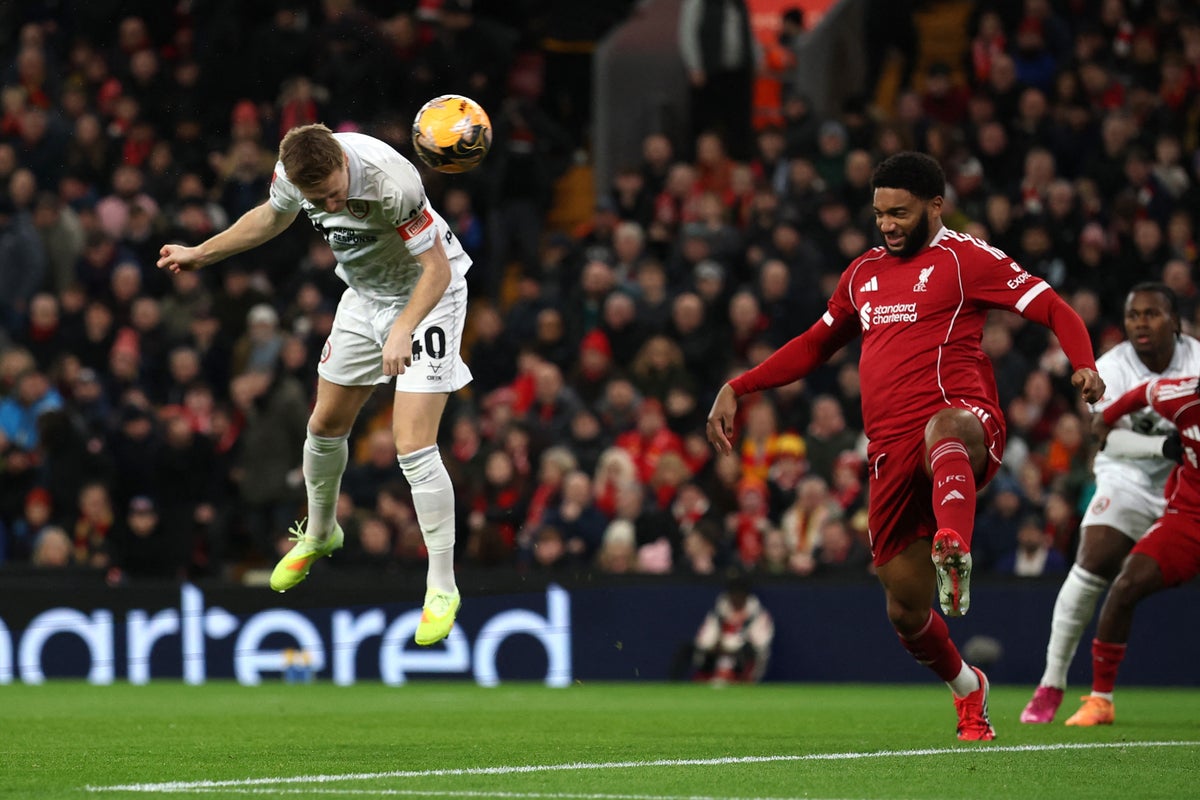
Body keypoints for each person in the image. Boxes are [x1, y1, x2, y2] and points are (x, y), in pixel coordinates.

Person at [706, 152, 1105, 740]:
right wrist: (740, 386)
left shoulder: (966, 259)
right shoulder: (861, 274)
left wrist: (1084, 365)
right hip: (889, 453)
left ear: (935, 206)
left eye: (900, 212)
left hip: (962, 423)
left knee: (946, 431)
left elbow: (1051, 305)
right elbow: (814, 346)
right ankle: (969, 689)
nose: (888, 224)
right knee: (906, 611)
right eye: (879, 214)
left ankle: (954, 544)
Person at [157, 123, 472, 647]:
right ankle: (322, 533)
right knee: (324, 424)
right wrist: (203, 253)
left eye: (335, 190)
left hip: (429, 298)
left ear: (342, 161)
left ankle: (442, 585)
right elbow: (269, 218)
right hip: (365, 296)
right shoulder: (292, 174)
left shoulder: (391, 180)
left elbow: (436, 269)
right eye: (320, 199)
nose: (332, 202)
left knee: (413, 442)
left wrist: (402, 329)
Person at [1021, 283, 1200, 723]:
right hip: (1131, 478)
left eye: (1152, 314)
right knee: (1093, 560)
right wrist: (1164, 448)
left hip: (1190, 483)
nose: (1141, 322)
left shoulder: (1196, 360)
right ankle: (1052, 682)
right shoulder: (1110, 368)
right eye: (1133, 314)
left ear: (1175, 321)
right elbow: (1104, 436)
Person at [1061, 369, 1200, 725]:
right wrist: (1106, 419)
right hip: (1190, 518)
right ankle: (1101, 700)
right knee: (1125, 585)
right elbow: (1145, 392)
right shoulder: (1183, 397)